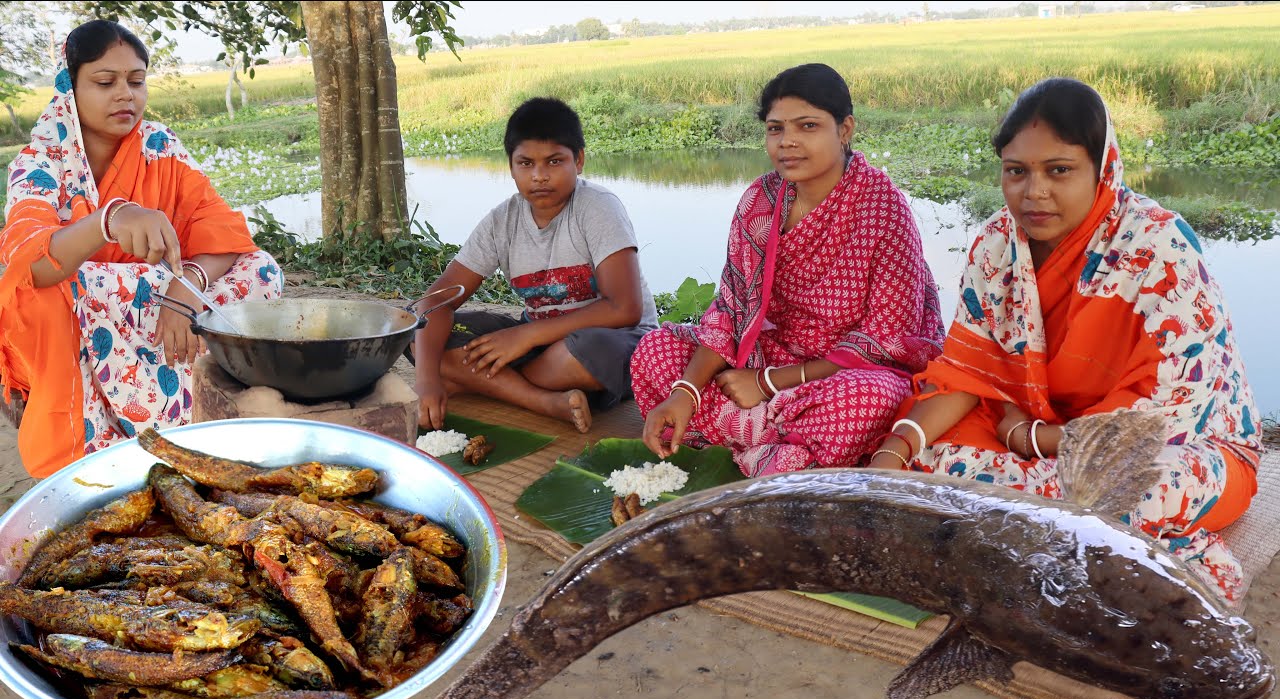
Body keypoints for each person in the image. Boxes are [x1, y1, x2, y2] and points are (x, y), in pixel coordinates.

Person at [868, 77, 1263, 603]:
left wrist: (1032, 440)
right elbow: (967, 372)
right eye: (1016, 171)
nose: (1034, 192)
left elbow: (1163, 421)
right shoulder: (996, 244)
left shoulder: (1159, 249)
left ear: (1102, 168)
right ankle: (1041, 520)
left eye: (1059, 170)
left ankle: (1030, 519)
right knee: (926, 457)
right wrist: (894, 454)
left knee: (1142, 492)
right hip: (1036, 423)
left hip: (1173, 446)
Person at [0, 20, 283, 478]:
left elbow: (220, 228)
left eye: (136, 81)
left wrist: (185, 288)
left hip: (164, 301)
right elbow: (28, 262)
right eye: (105, 82)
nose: (125, 95)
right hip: (83, 314)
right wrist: (108, 220)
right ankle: (94, 440)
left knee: (262, 268)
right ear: (70, 88)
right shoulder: (40, 163)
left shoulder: (159, 146)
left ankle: (192, 409)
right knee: (50, 293)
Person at [633, 63, 945, 476]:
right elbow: (730, 310)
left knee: (871, 402)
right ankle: (778, 451)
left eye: (808, 126)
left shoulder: (883, 208)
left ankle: (746, 439)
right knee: (653, 351)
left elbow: (887, 340)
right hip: (766, 356)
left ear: (845, 129)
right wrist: (686, 392)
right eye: (775, 129)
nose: (788, 142)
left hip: (844, 374)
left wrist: (768, 382)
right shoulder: (760, 201)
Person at [410, 97, 658, 433]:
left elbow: (624, 308)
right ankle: (543, 401)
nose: (539, 176)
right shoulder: (502, 222)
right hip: (540, 348)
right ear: (511, 166)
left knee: (585, 352)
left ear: (579, 160)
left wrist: (524, 336)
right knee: (417, 335)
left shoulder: (598, 208)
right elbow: (433, 303)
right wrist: (426, 381)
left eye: (554, 161)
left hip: (612, 342)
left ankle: (480, 381)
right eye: (526, 164)